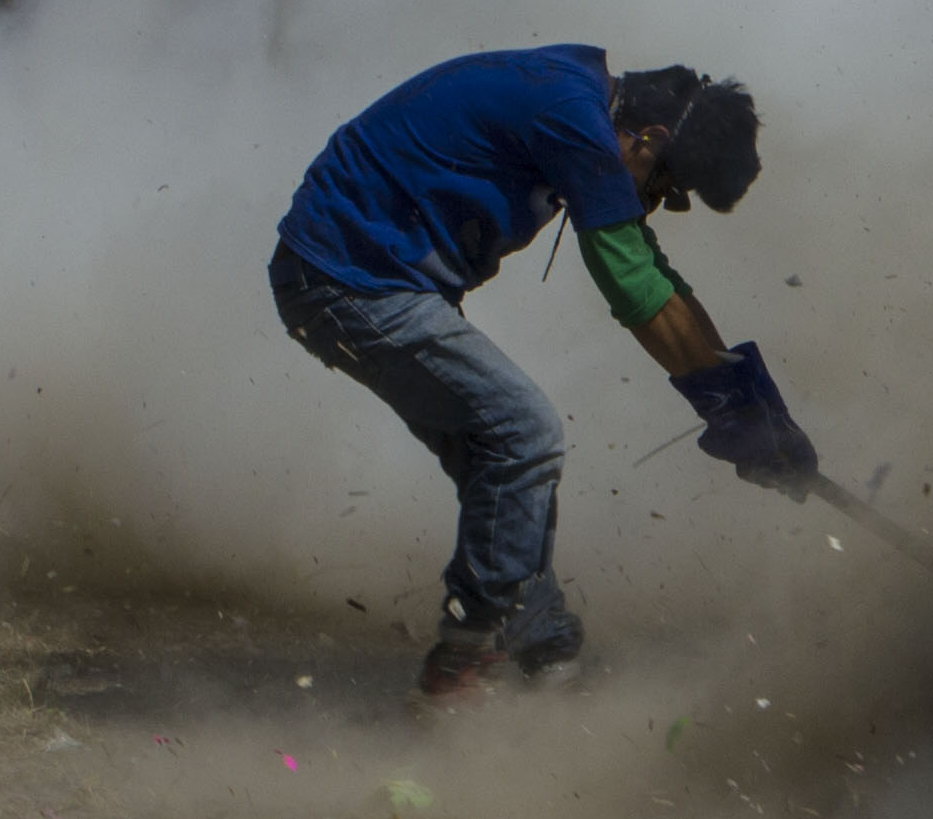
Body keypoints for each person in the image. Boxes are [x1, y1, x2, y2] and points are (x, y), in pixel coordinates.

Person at [272, 51, 811, 700]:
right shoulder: (574, 120)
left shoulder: (581, 101)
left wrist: (754, 403)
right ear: (653, 137)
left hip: (361, 277)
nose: (657, 201)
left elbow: (651, 270)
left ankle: (543, 647)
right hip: (346, 280)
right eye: (665, 186)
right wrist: (729, 412)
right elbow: (632, 284)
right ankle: (467, 651)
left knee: (496, 459)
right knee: (522, 430)